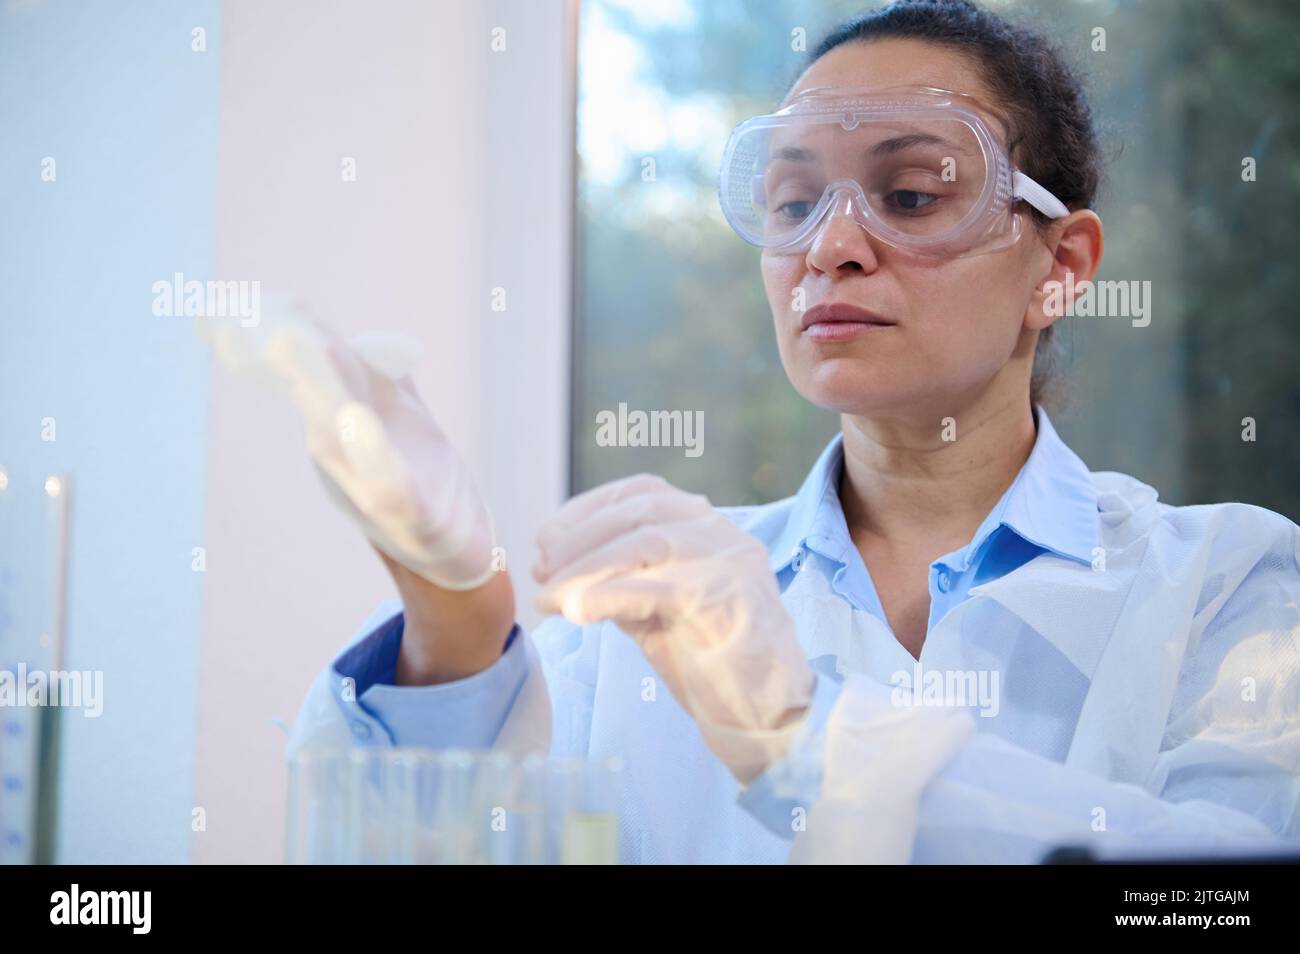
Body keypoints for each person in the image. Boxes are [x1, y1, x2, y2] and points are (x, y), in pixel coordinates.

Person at [282, 0, 1300, 863]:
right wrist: (453, 617)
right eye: (794, 200)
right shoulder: (642, 612)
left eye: (910, 194)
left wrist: (795, 737)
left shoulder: (1229, 585)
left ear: (1061, 266)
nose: (831, 245)